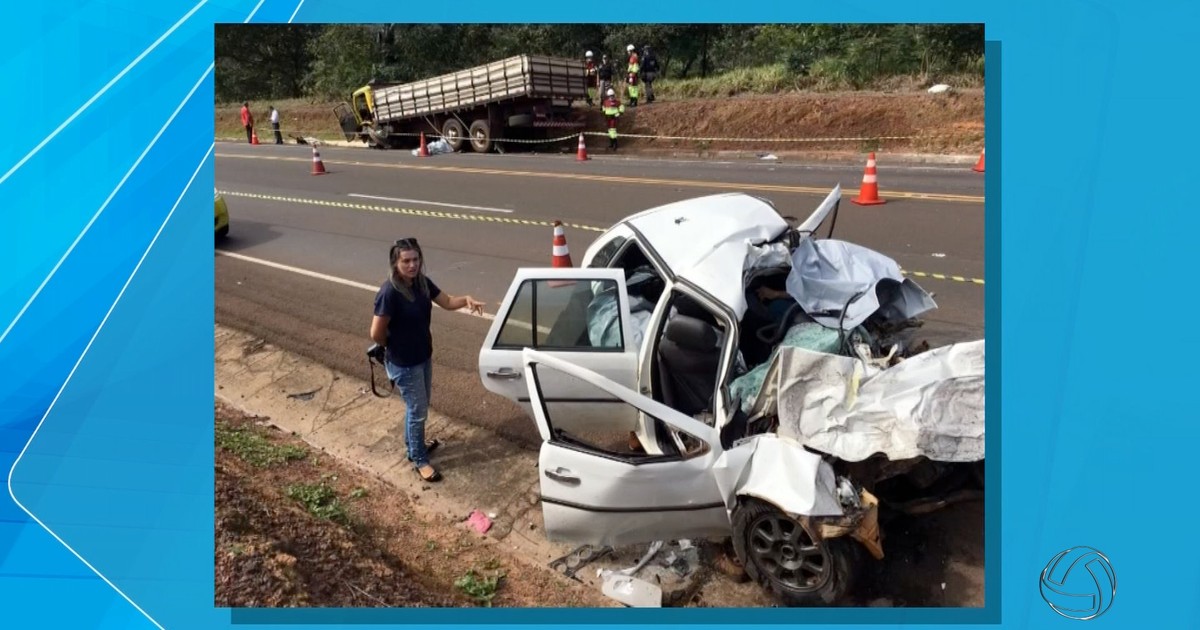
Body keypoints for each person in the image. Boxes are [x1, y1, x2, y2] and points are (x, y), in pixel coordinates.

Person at [370, 238, 485, 482]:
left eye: (416, 259)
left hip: (423, 356)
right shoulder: (389, 292)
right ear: (395, 262)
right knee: (418, 411)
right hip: (404, 362)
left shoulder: (421, 283)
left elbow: (447, 301)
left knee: (417, 408)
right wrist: (390, 346)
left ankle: (413, 445)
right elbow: (376, 332)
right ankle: (420, 459)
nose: (412, 265)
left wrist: (466, 299)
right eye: (406, 261)